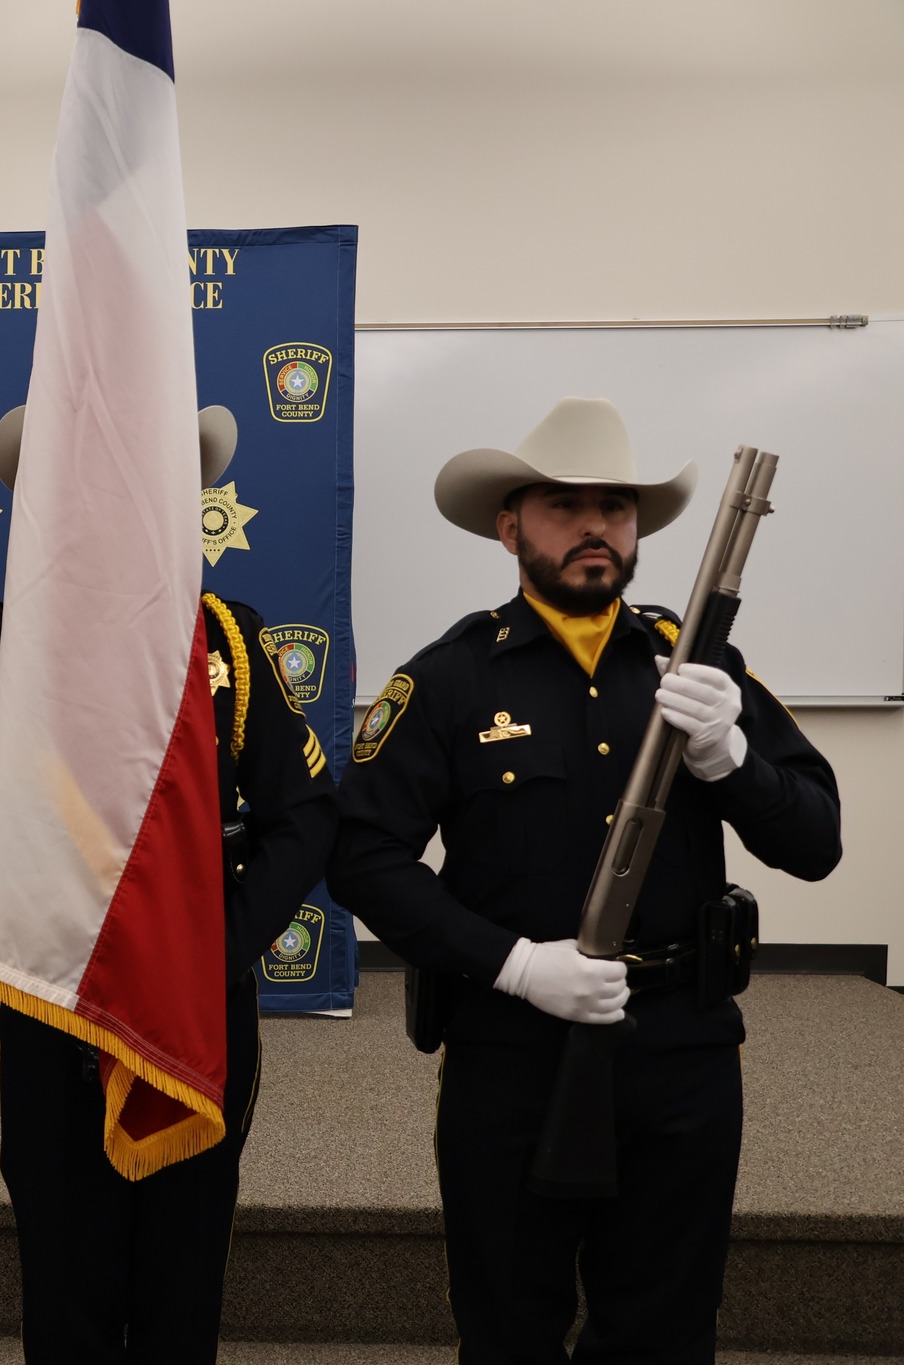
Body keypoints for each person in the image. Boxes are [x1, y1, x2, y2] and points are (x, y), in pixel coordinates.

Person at [327, 397, 841, 1363]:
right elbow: (363, 854)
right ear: (510, 527)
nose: (595, 526)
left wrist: (733, 759)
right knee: (510, 1318)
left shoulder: (697, 663)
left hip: (680, 1047)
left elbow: (816, 840)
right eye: (565, 506)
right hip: (511, 1051)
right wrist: (513, 963)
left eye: (616, 505)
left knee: (667, 1324)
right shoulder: (449, 678)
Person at [0, 404, 338, 1364]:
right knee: (64, 1277)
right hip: (63, 1007)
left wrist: (212, 952)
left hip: (201, 1003)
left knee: (183, 1273)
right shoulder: (12, 641)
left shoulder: (229, 637)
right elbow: (56, 817)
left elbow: (304, 815)